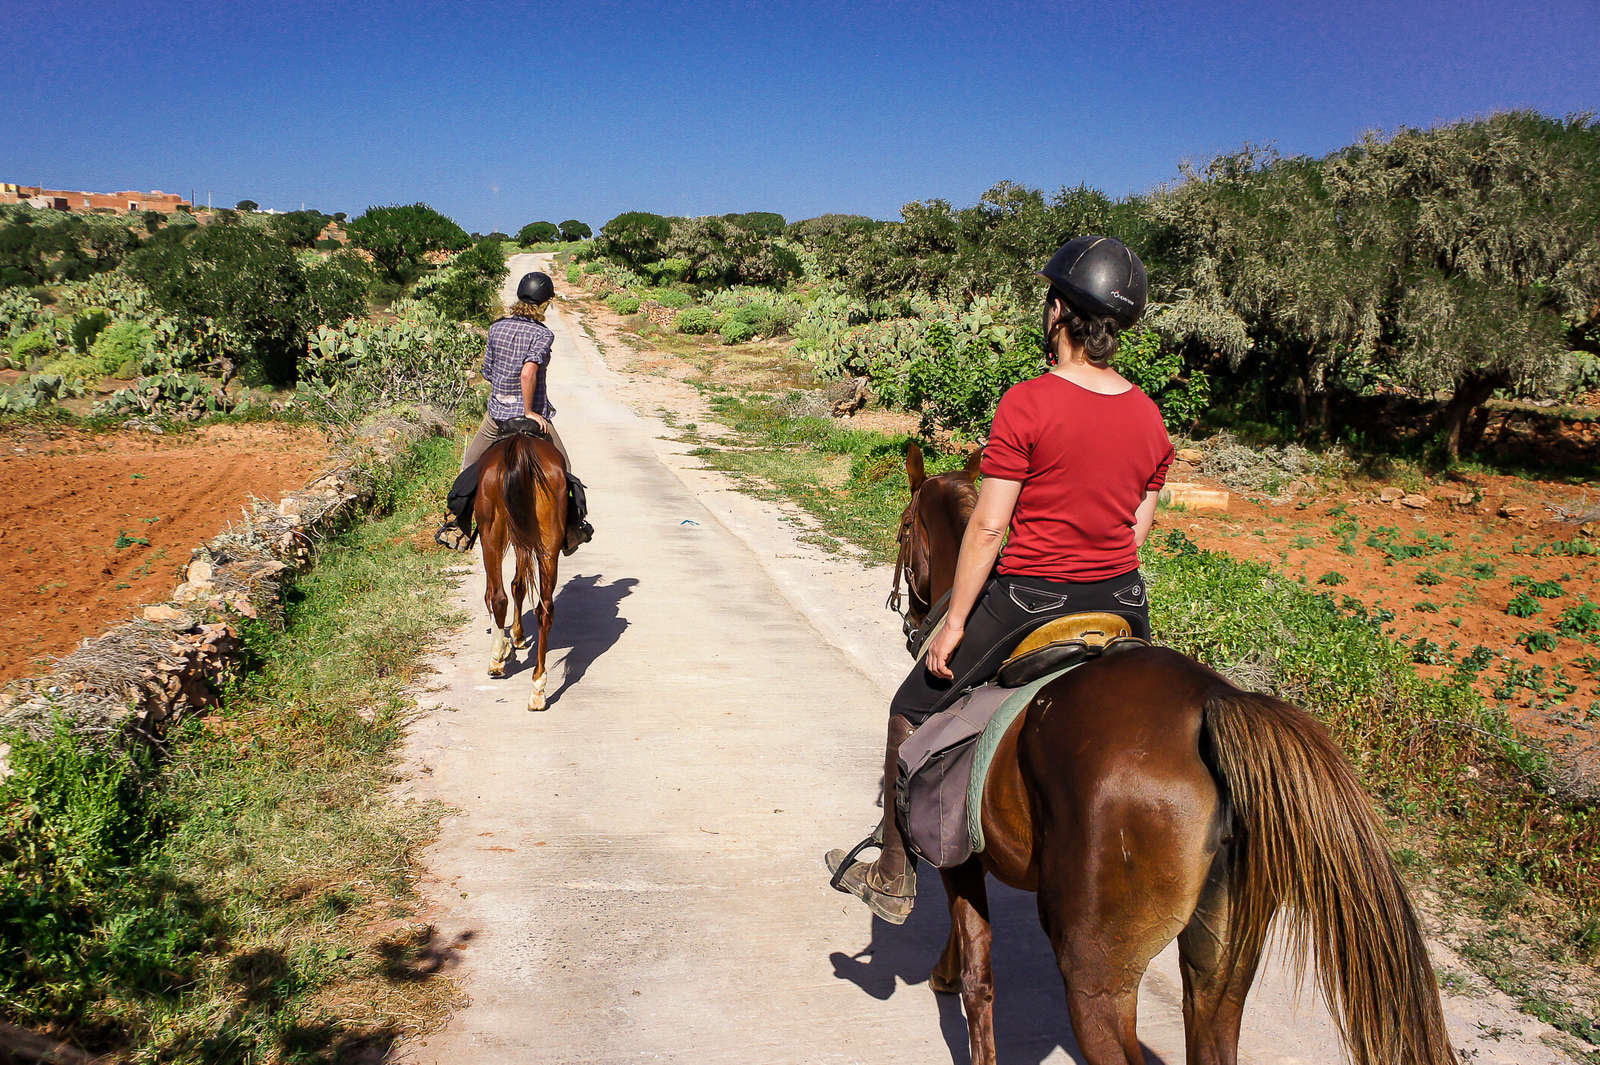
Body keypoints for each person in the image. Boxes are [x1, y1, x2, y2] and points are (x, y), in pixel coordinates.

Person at [826, 236, 1174, 923]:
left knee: (908, 705)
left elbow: (986, 528)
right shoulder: (1149, 414)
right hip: (1123, 603)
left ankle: (894, 872)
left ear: (1060, 313)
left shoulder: (1028, 402)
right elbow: (1138, 528)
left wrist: (952, 621)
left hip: (1031, 599)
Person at [441, 270, 593, 554]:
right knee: (565, 468)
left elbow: (487, 371)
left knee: (469, 467)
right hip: (531, 417)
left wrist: (503, 391)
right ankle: (571, 531)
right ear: (545, 302)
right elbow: (528, 373)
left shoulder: (497, 328)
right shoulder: (543, 334)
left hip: (497, 418)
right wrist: (529, 411)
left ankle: (458, 527)